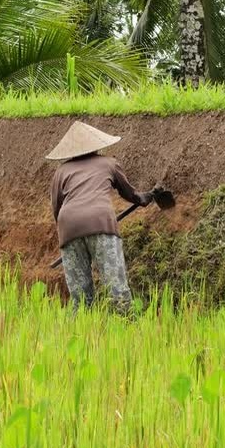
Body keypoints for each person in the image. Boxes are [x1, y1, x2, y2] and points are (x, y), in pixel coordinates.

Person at [47, 121, 154, 313]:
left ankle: (80, 333)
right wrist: (145, 198)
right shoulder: (109, 163)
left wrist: (68, 232)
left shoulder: (61, 171)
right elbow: (130, 195)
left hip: (68, 226)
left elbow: (56, 207)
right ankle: (126, 328)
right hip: (100, 222)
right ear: (96, 144)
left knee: (80, 297)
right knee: (116, 288)